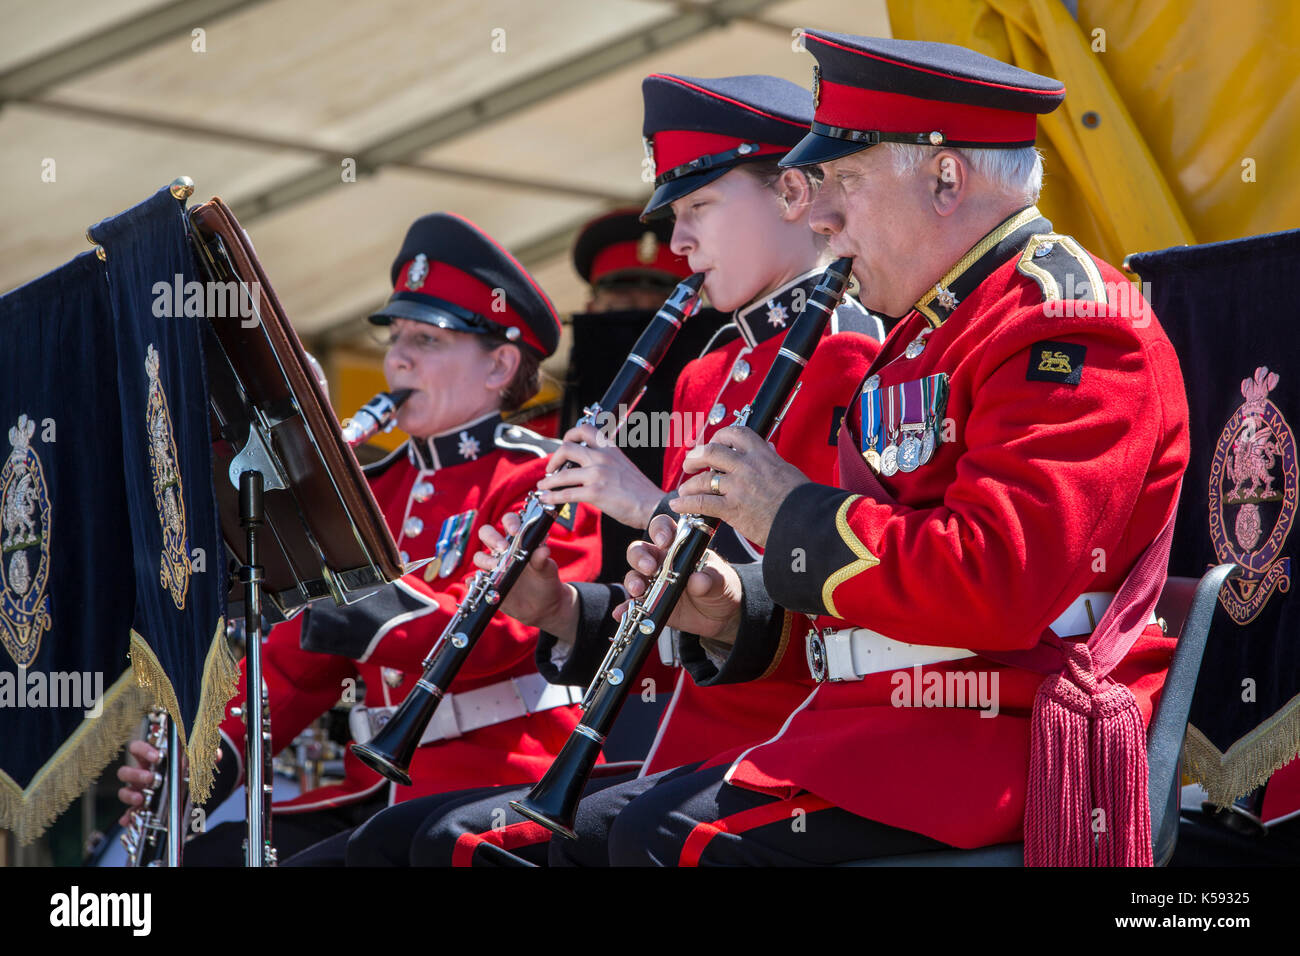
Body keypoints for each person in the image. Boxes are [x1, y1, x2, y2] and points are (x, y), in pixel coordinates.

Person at [561, 31, 1190, 866]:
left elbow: (994, 581)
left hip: (1000, 734)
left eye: (846, 181)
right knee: (596, 832)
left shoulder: (1066, 318)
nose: (818, 215)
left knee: (658, 841)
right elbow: (881, 605)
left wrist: (787, 510)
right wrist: (737, 613)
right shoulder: (932, 330)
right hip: (886, 723)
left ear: (944, 178)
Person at [344, 72, 886, 866]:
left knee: (466, 847)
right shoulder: (708, 369)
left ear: (791, 195)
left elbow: (805, 586)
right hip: (682, 733)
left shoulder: (853, 348)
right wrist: (564, 608)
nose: (678, 245)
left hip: (791, 733)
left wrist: (644, 505)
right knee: (399, 841)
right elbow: (674, 603)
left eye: (697, 209)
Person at [117, 213, 602, 865]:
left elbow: (493, 636)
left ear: (501, 365)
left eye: (428, 339)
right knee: (217, 857)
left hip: (513, 778)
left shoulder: (544, 475)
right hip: (382, 788)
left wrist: (348, 597)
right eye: (396, 335)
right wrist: (199, 765)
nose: (398, 356)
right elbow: (293, 668)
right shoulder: (378, 487)